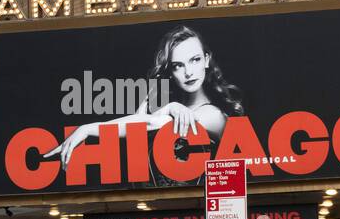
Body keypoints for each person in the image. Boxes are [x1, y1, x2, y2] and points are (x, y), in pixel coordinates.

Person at [46, 24, 244, 185]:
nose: (188, 73)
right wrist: (166, 108)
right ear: (171, 71)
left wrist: (87, 129)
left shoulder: (212, 115)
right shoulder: (170, 110)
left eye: (195, 60)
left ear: (206, 60)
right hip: (161, 213)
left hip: (205, 214)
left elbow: (150, 124)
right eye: (178, 65)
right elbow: (142, 124)